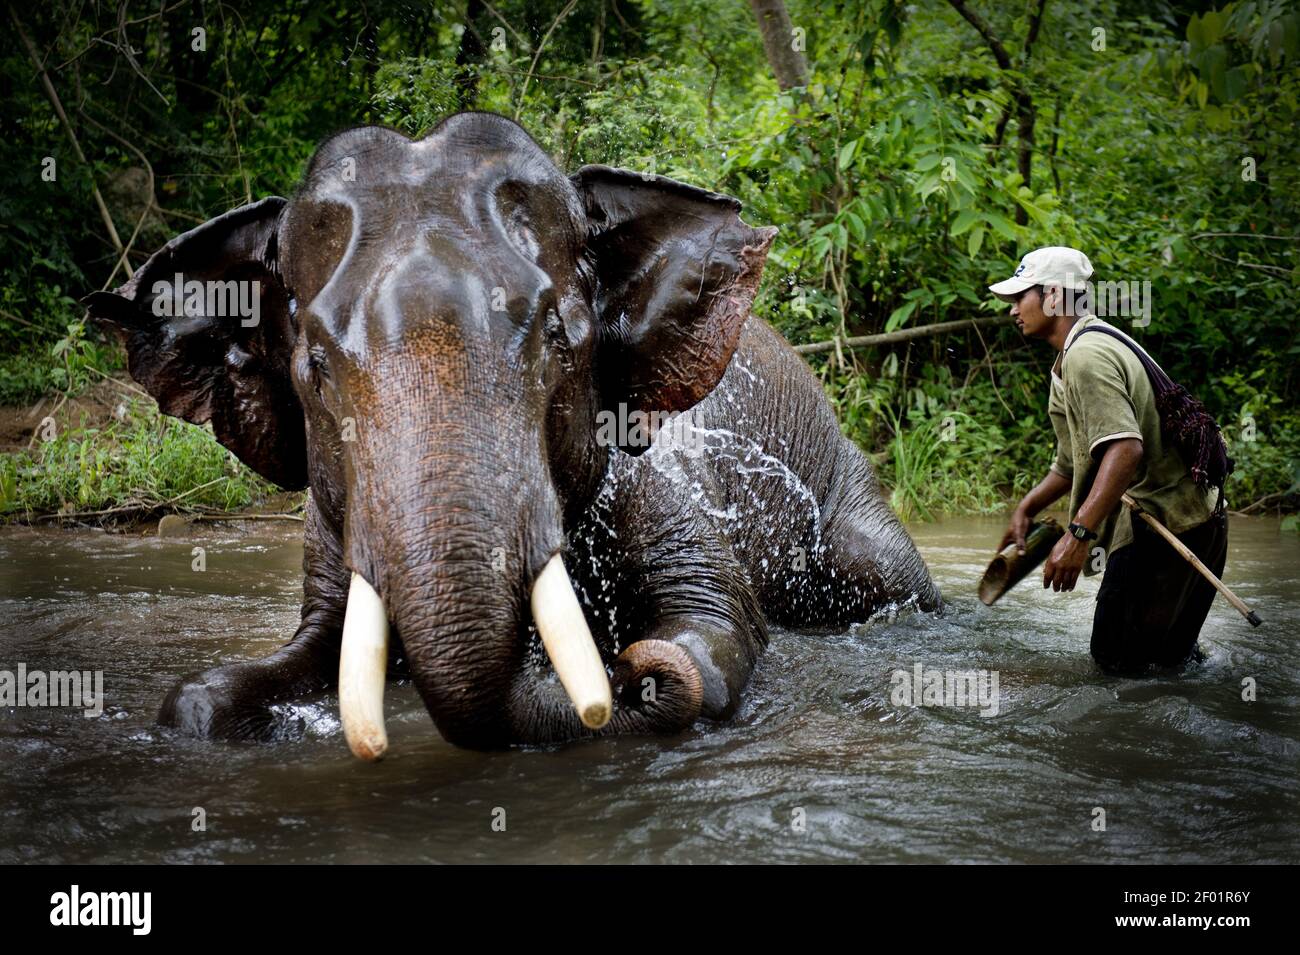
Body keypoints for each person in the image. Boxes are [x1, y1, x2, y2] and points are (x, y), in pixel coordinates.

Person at [989, 247, 1227, 674]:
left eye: (1021, 296)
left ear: (1055, 298)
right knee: (1167, 669)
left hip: (1164, 531)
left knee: (1116, 666)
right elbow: (1070, 462)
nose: (1012, 310)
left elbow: (1124, 450)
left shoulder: (1088, 356)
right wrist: (1028, 506)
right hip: (1199, 521)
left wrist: (1079, 535)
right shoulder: (1071, 359)